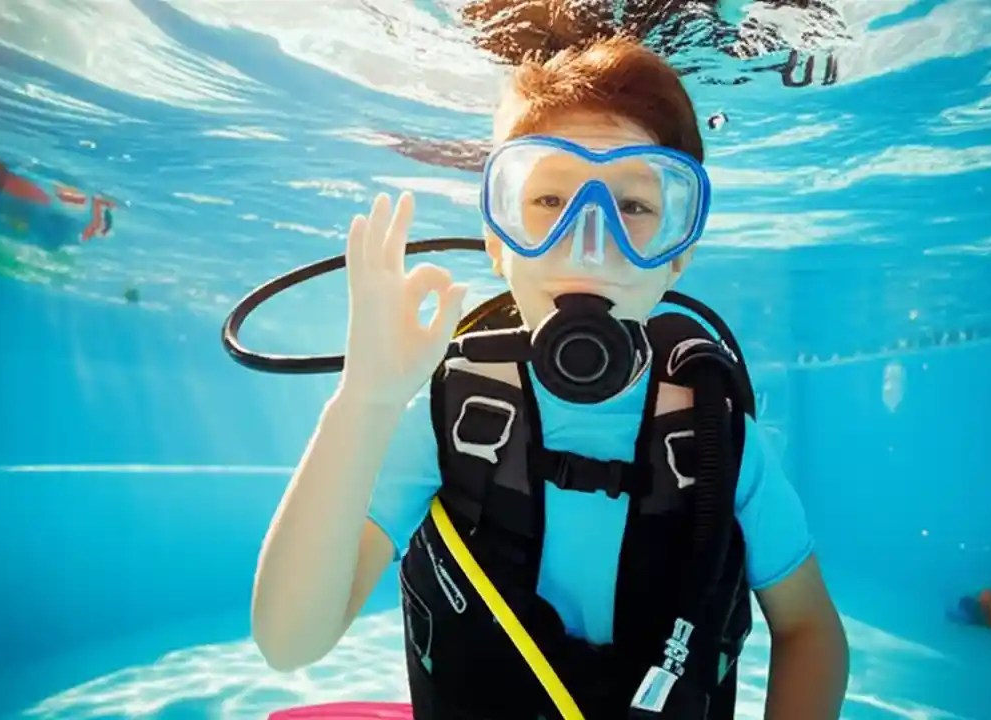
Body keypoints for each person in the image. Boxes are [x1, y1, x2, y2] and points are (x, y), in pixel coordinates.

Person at [252, 34, 849, 719]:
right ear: (497, 240)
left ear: (677, 255)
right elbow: (289, 642)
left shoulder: (716, 438)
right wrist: (366, 400)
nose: (587, 243)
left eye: (633, 208)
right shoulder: (448, 417)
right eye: (546, 200)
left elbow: (810, 630)